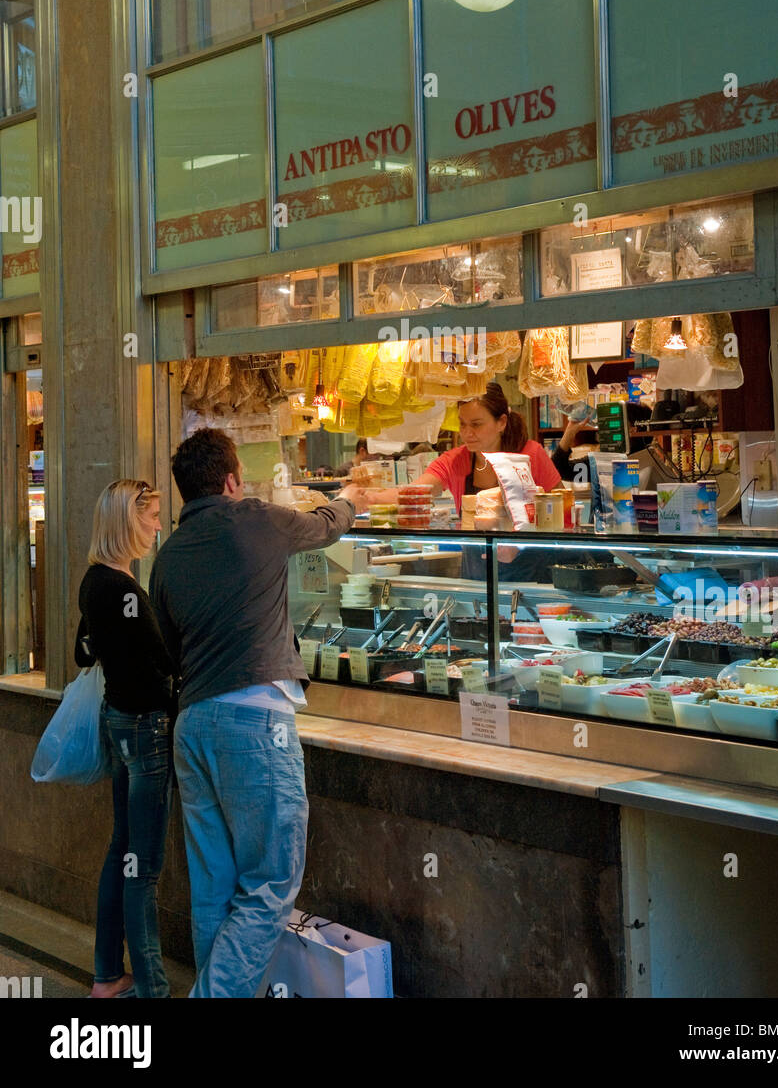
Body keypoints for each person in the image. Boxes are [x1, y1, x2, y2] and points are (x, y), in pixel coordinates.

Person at [148, 428, 367, 999]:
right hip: (254, 722)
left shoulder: (167, 556)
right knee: (271, 884)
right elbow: (328, 526)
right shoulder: (258, 519)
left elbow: (167, 651)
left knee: (214, 885)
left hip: (192, 726)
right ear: (230, 479)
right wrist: (350, 498)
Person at [74, 479, 174, 1000]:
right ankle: (153, 989)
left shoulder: (94, 582)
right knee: (143, 866)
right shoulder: (126, 589)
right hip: (144, 727)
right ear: (124, 522)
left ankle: (106, 974)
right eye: (150, 516)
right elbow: (161, 661)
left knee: (121, 852)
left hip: (117, 722)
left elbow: (82, 652)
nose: (158, 524)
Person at [373, 382, 561, 513]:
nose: (467, 433)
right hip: (476, 564)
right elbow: (414, 493)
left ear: (501, 422)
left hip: (528, 565)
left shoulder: (531, 454)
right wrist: (367, 498)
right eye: (462, 424)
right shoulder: (455, 460)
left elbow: (563, 505)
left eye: (476, 424)